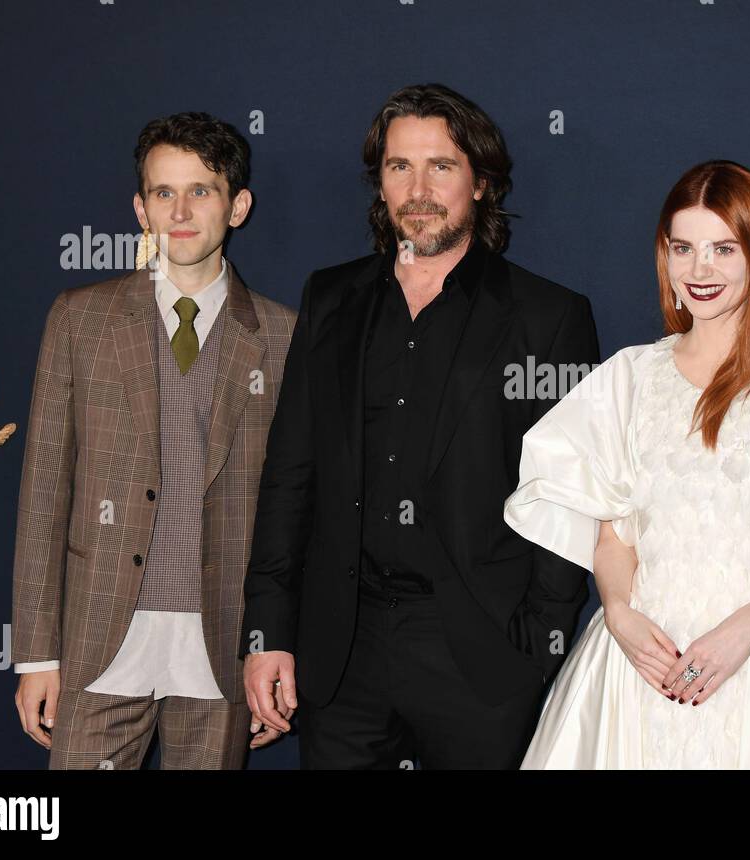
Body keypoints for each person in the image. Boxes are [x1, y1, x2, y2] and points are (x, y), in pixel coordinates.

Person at [503, 160, 750, 768]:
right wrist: (617, 610)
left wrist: (747, 626)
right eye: (683, 248)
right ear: (663, 256)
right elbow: (614, 531)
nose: (700, 269)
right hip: (645, 668)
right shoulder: (629, 378)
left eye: (724, 248)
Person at [240, 83, 600, 769]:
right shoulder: (332, 298)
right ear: (380, 184)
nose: (419, 187)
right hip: (341, 645)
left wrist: (538, 641)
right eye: (399, 166)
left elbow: (571, 493)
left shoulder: (548, 317)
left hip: (479, 651)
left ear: (482, 182)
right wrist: (269, 633)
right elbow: (290, 473)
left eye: (442, 165)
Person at [12, 112, 298, 768]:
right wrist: (37, 654)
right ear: (141, 208)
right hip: (98, 639)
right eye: (164, 193)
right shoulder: (80, 320)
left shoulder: (287, 338)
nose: (182, 209)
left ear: (239, 205)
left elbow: (298, 511)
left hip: (223, 645)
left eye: (202, 190)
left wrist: (275, 647)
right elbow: (44, 492)